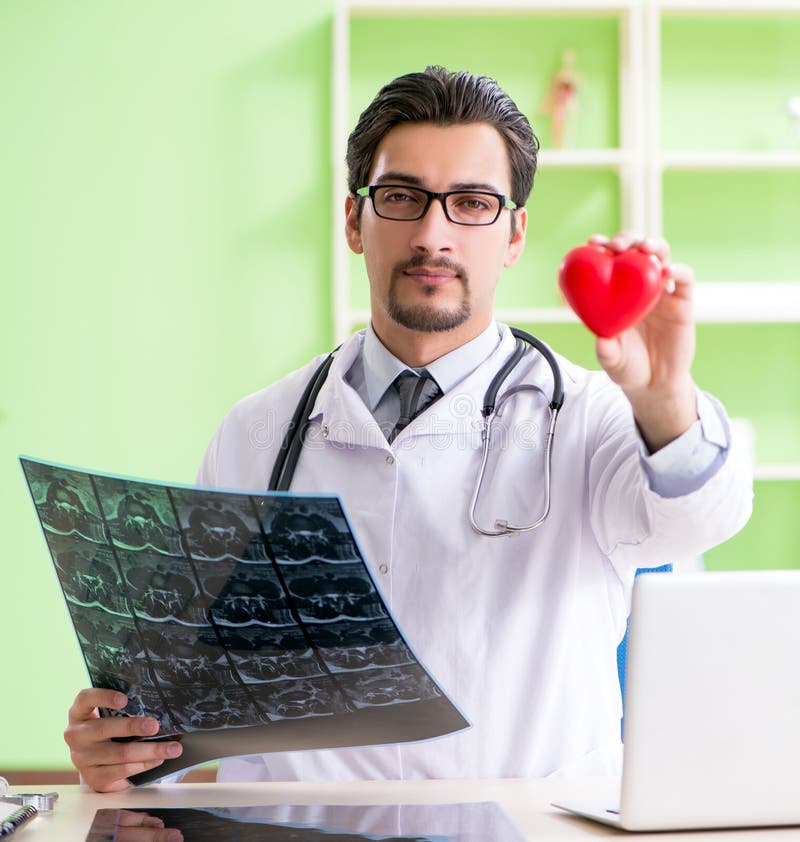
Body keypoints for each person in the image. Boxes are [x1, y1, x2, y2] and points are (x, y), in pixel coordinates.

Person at [65, 66, 753, 793]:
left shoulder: (588, 417)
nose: (433, 235)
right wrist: (124, 754)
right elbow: (180, 706)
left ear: (514, 234)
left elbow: (699, 520)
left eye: (472, 203)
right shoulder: (257, 432)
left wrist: (664, 395)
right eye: (400, 197)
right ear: (353, 221)